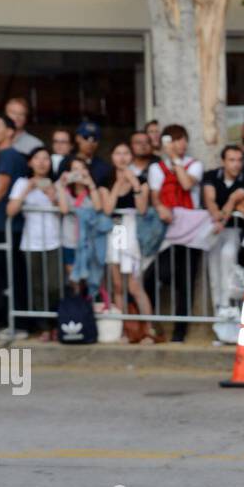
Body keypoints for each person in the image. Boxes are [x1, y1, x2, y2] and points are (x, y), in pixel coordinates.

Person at [147, 124, 204, 342]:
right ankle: (152, 324)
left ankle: (180, 332)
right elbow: (155, 194)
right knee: (154, 276)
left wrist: (176, 161)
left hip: (192, 232)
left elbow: (186, 184)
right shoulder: (156, 168)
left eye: (183, 139)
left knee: (185, 283)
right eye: (175, 140)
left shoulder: (194, 165)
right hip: (169, 233)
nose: (180, 144)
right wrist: (159, 206)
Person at [101, 141, 157, 340]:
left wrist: (133, 182)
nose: (122, 157)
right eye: (118, 153)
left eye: (126, 153)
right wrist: (118, 183)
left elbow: (142, 208)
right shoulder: (105, 180)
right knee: (117, 285)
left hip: (131, 232)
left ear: (131, 157)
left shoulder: (141, 179)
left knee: (134, 285)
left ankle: (149, 328)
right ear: (112, 157)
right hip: (114, 232)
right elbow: (107, 209)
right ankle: (125, 329)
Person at [7, 147, 62, 338]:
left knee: (55, 285)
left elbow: (63, 209)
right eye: (37, 158)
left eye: (46, 158)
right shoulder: (22, 182)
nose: (41, 162)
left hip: (54, 241)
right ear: (30, 162)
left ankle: (57, 323)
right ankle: (44, 327)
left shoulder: (56, 183)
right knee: (37, 287)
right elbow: (10, 210)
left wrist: (52, 195)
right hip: (31, 243)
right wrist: (26, 190)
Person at [202, 143, 244, 314]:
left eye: (239, 160)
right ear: (223, 161)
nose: (236, 164)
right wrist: (217, 215)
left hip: (233, 230)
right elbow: (209, 199)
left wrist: (221, 218)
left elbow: (234, 199)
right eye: (231, 160)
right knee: (214, 273)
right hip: (214, 230)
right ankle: (218, 317)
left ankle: (227, 307)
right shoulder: (211, 175)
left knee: (228, 260)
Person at [0, 113, 28, 328]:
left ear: (10, 131)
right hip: (2, 226)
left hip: (5, 227)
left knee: (8, 277)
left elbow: (0, 189)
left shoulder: (9, 155)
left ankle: (15, 322)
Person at [56, 153, 104, 282]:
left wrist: (90, 184)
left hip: (89, 241)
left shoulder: (92, 189)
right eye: (74, 169)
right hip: (70, 240)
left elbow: (98, 207)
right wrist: (61, 185)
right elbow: (64, 209)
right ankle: (78, 301)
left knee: (90, 277)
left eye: (81, 169)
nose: (77, 173)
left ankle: (89, 301)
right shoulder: (64, 189)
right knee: (73, 278)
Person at [71, 121, 113, 188]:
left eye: (95, 139)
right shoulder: (66, 162)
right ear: (77, 138)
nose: (90, 142)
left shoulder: (104, 168)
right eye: (86, 137)